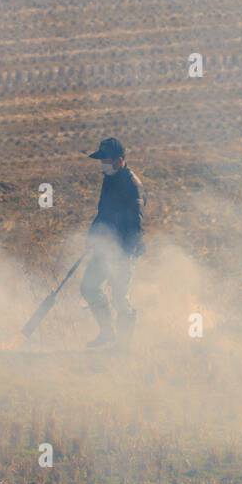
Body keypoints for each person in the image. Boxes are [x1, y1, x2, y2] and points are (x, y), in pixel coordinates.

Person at [80, 137, 144, 349]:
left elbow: (135, 224)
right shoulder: (109, 179)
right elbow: (103, 214)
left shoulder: (132, 184)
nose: (102, 164)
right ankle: (107, 333)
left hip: (125, 249)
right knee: (89, 287)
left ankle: (124, 346)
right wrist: (94, 237)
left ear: (119, 160)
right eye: (101, 161)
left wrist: (125, 254)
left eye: (106, 160)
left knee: (119, 298)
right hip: (105, 246)